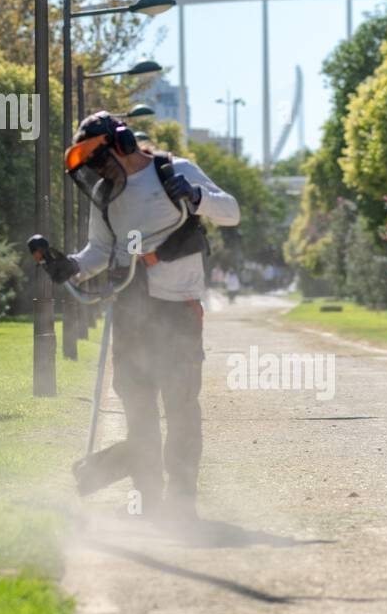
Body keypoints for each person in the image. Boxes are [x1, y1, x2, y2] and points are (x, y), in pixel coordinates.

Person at [38, 112, 240, 523]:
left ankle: (182, 504)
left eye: (99, 157)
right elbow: (98, 249)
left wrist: (198, 196)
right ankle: (148, 503)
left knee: (181, 409)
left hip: (177, 307)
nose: (97, 169)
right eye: (89, 164)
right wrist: (71, 266)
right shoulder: (106, 197)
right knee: (139, 410)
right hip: (131, 309)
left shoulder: (173, 172)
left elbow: (231, 211)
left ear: (123, 142)